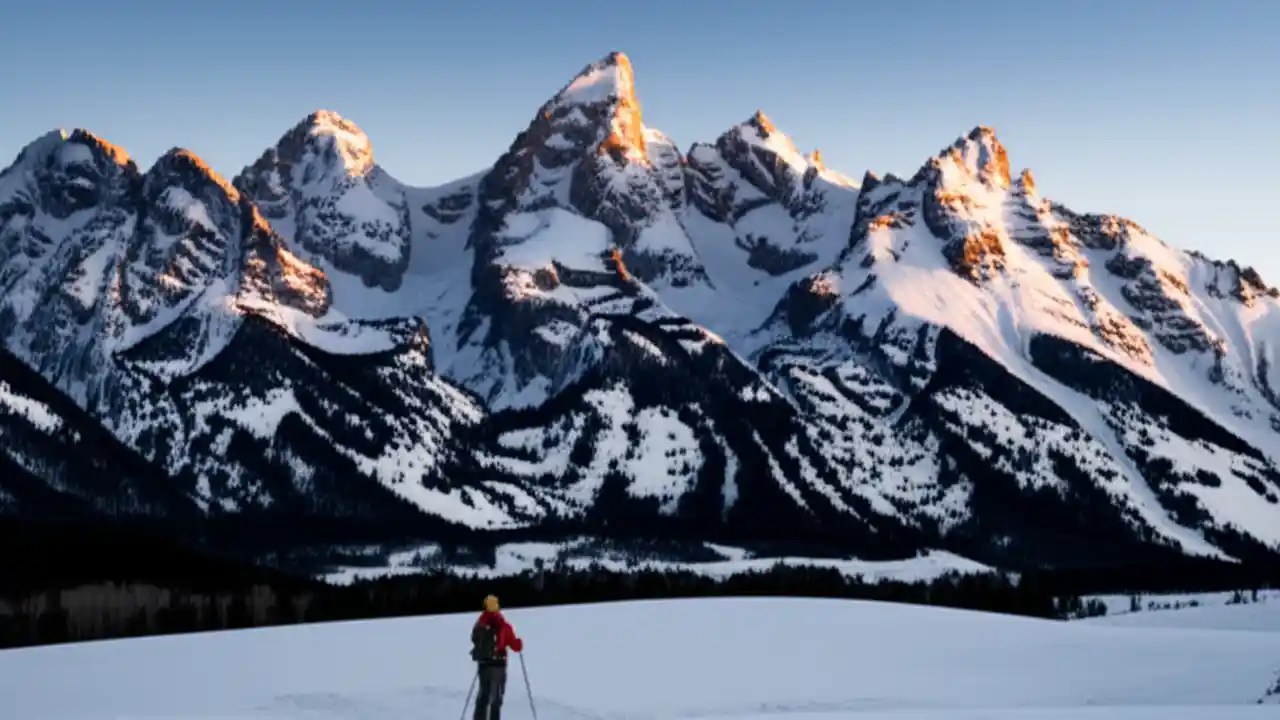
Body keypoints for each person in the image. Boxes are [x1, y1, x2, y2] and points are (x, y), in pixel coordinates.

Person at [470, 594, 524, 720]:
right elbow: (514, 645)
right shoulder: (503, 624)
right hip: (499, 665)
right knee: (497, 698)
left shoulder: (481, 623)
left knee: (484, 696)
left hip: (484, 665)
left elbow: (474, 639)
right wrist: (518, 644)